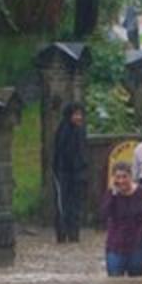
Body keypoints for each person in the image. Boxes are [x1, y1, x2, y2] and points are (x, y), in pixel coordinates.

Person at [101, 163, 142, 278]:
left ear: (131, 176)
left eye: (124, 177)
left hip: (137, 246)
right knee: (115, 281)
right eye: (118, 177)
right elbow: (103, 215)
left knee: (137, 282)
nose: (121, 181)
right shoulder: (111, 194)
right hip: (115, 246)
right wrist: (113, 195)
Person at [52, 102, 88, 243]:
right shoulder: (64, 130)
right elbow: (62, 153)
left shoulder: (80, 131)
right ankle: (63, 232)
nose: (79, 118)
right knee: (63, 203)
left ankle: (74, 232)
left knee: (76, 203)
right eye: (76, 114)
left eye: (80, 114)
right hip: (64, 172)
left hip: (77, 172)